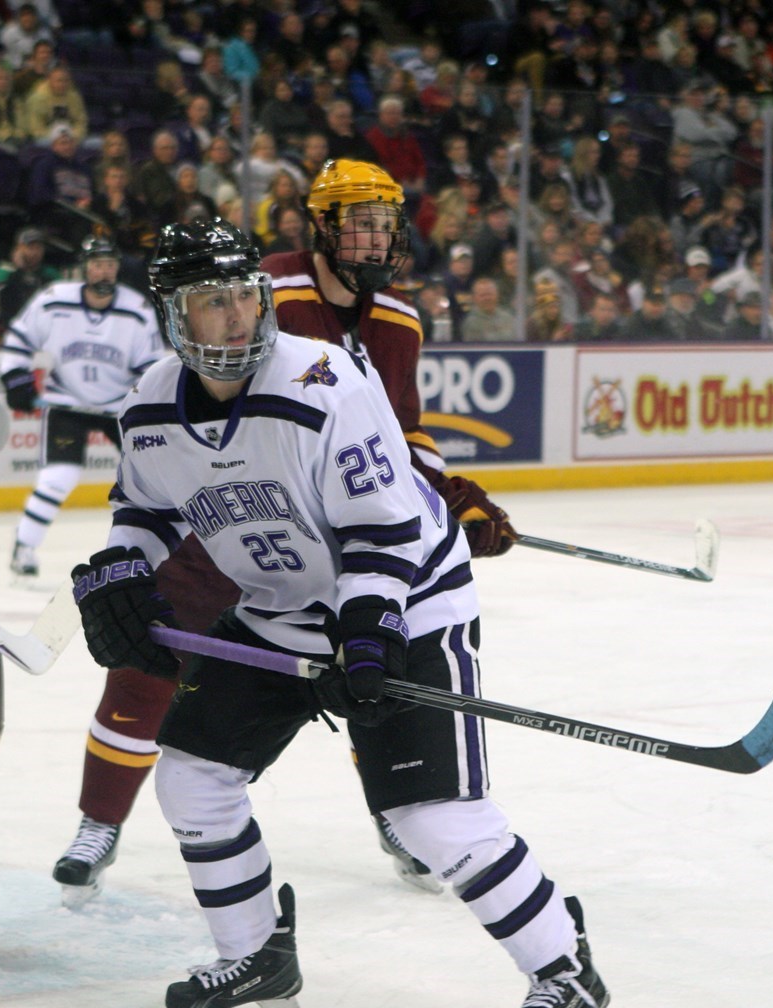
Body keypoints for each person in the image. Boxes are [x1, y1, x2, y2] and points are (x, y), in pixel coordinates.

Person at [70, 219, 615, 1008]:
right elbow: (144, 511)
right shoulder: (147, 405)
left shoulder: (323, 384)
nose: (240, 316)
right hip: (279, 605)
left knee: (427, 814)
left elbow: (387, 528)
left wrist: (368, 629)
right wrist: (117, 571)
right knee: (191, 773)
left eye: (246, 294)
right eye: (213, 303)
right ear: (175, 317)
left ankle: (566, 972)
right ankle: (257, 961)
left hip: (407, 599)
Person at [46, 162, 518, 904]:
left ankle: (398, 809)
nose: (374, 238)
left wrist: (449, 496)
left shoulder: (398, 320)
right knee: (145, 658)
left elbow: (400, 432)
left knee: (361, 654)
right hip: (217, 527)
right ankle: (98, 818)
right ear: (322, 226)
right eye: (358, 221)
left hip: (313, 533)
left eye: (384, 223)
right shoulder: (263, 289)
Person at [3, 233, 165, 579]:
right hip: (67, 404)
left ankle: (167, 553)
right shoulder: (53, 301)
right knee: (58, 477)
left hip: (119, 408)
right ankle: (25, 547)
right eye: (97, 265)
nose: (104, 272)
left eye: (110, 265)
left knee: (153, 478)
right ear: (84, 268)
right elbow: (19, 337)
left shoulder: (136, 310)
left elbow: (151, 366)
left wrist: (144, 403)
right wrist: (15, 377)